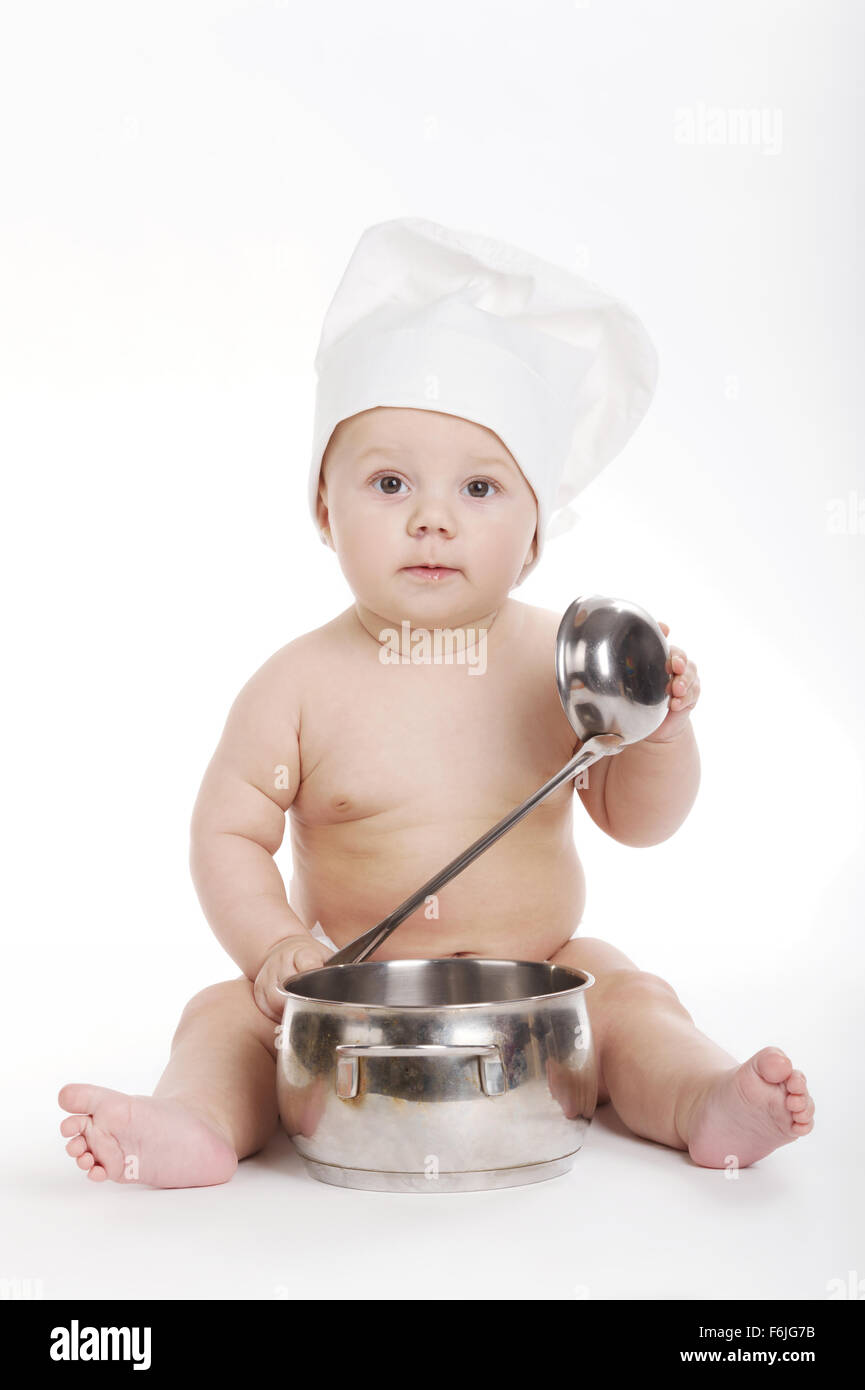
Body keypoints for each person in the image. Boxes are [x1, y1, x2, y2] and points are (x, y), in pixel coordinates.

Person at [58, 218, 814, 1186]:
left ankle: (703, 1098)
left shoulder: (559, 660)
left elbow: (641, 824)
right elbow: (229, 836)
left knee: (632, 994)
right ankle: (198, 1123)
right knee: (222, 1014)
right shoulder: (296, 682)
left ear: (536, 534)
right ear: (325, 512)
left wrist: (661, 731)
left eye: (481, 487)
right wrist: (275, 946)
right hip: (346, 997)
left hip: (544, 981)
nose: (432, 515)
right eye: (387, 481)